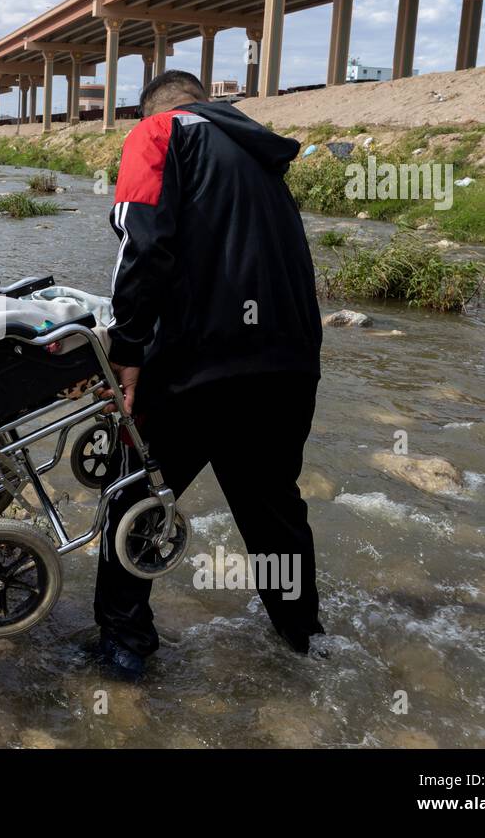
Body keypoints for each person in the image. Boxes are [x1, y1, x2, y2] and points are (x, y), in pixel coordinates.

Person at [94, 69, 326, 679]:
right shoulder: (261, 157)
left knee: (135, 495)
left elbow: (142, 243)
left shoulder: (159, 132)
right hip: (289, 364)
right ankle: (303, 640)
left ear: (151, 112)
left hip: (197, 362)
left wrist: (128, 347)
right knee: (272, 506)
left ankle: (125, 648)